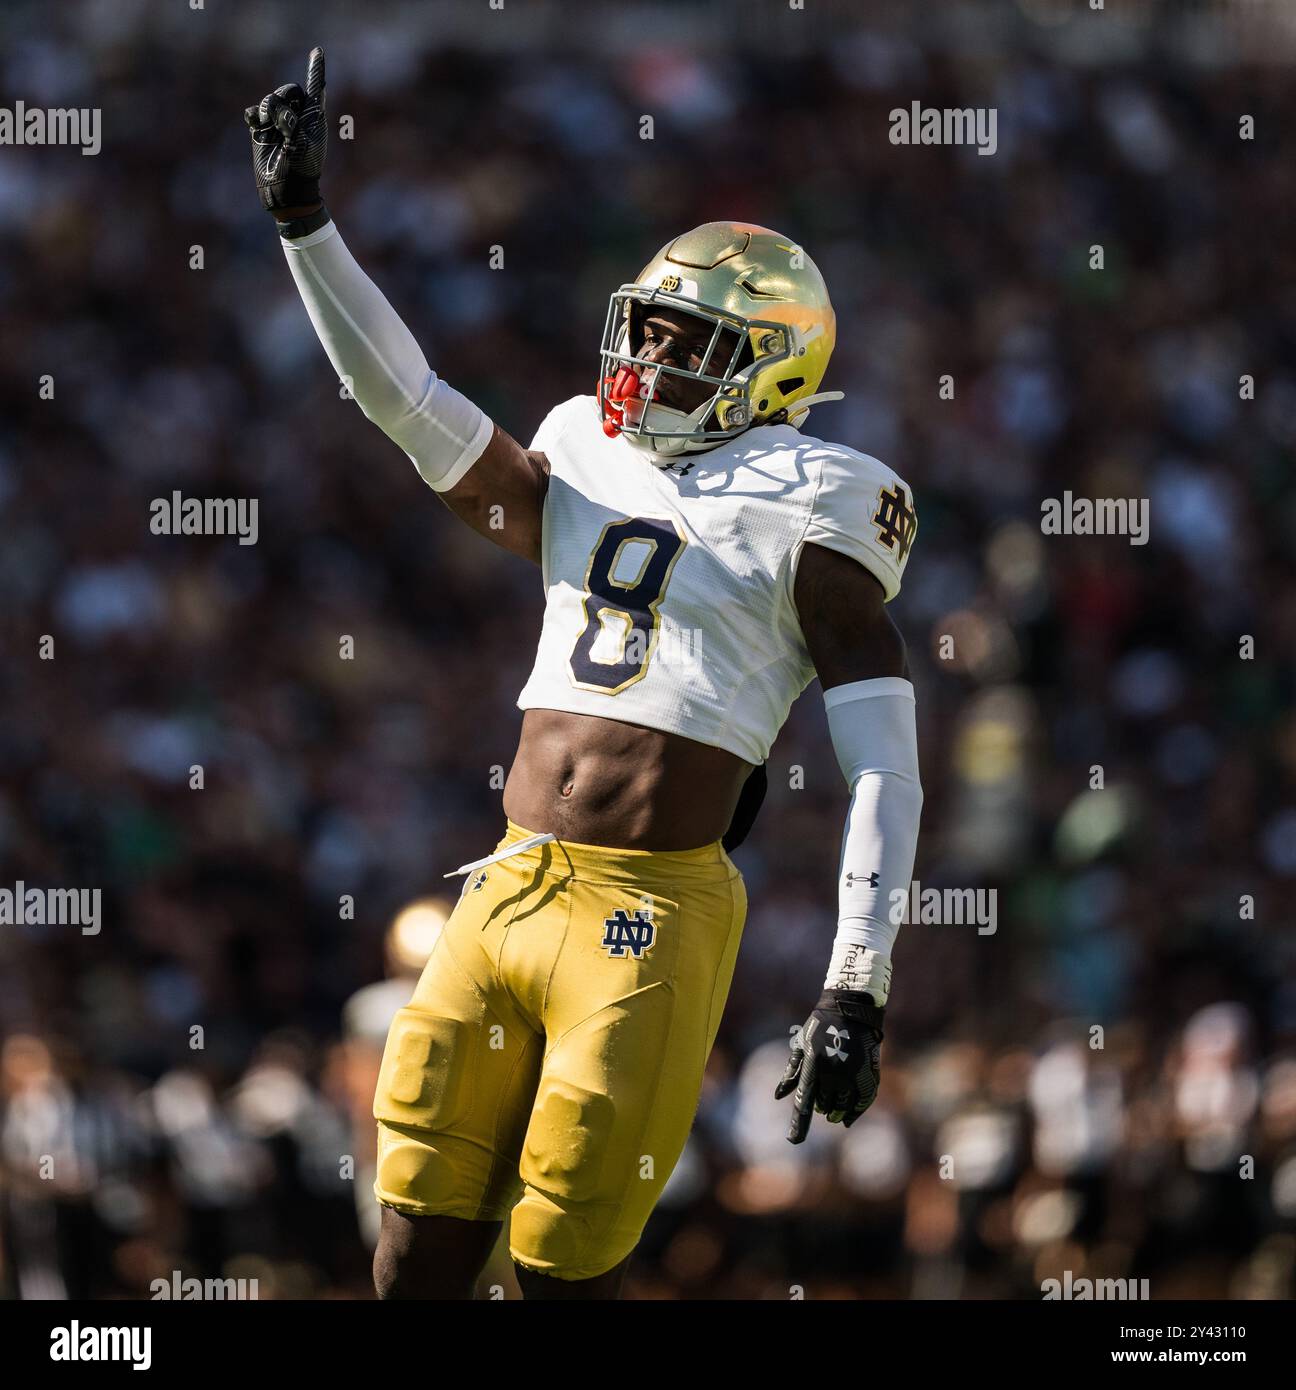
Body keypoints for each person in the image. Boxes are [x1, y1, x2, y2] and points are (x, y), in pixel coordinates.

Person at [244, 48, 923, 1300]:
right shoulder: (580, 446)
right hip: (504, 880)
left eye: (685, 341)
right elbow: (409, 405)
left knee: (562, 1258)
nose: (644, 361)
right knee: (414, 1239)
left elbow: (882, 759)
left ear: (774, 361)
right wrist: (306, 227)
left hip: (649, 911)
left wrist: (856, 980)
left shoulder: (825, 496)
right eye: (644, 330)